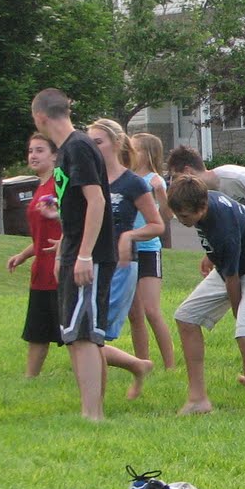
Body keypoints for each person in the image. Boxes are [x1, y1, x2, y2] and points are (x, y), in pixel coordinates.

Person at [30, 88, 116, 421]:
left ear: (40, 116)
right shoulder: (68, 150)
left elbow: (97, 202)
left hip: (90, 256)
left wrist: (83, 256)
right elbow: (75, 208)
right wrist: (64, 250)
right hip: (74, 251)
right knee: (74, 335)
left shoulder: (78, 147)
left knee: (85, 334)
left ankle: (93, 414)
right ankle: (88, 411)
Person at [169, 173, 245, 415]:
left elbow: (233, 279)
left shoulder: (222, 226)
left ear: (202, 206)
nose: (181, 220)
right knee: (186, 316)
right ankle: (198, 399)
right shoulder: (203, 201)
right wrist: (211, 253)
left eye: (185, 216)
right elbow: (233, 241)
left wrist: (238, 313)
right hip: (233, 263)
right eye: (178, 215)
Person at [87, 118, 161, 401]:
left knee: (93, 336)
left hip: (120, 267)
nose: (93, 149)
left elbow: (157, 225)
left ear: (117, 144)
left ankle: (96, 406)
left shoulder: (132, 183)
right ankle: (136, 365)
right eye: (89, 143)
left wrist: (128, 236)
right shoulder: (90, 180)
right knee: (85, 334)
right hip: (88, 263)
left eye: (98, 143)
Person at [6, 132, 62, 378]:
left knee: (77, 336)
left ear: (54, 155)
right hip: (41, 271)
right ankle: (30, 379)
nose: (33, 155)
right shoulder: (38, 186)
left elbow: (76, 221)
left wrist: (67, 242)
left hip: (61, 269)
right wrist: (24, 254)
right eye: (31, 151)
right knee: (37, 331)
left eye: (40, 150)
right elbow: (41, 235)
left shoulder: (59, 183)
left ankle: (135, 364)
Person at [125, 131, 176, 370]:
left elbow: (166, 218)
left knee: (151, 310)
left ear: (146, 153)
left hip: (148, 249)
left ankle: (170, 364)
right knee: (134, 313)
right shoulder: (126, 178)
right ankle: (142, 362)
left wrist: (161, 193)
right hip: (127, 250)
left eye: (134, 148)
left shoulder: (155, 180)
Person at [164, 146, 245, 206]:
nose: (173, 183)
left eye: (175, 177)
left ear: (187, 171)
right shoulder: (205, 195)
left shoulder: (235, 177)